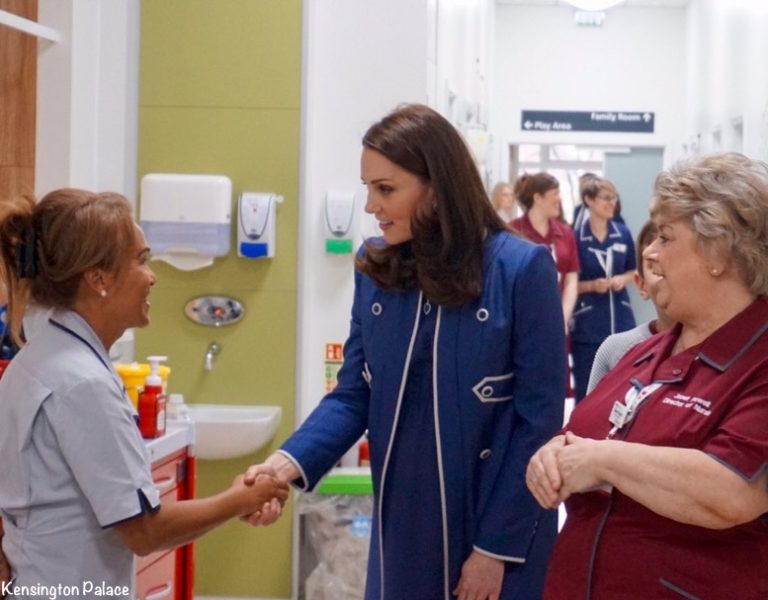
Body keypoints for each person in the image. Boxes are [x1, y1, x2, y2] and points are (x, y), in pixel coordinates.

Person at [245, 104, 566, 600]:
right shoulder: (376, 270)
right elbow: (354, 394)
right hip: (405, 528)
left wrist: (494, 550)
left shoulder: (520, 270)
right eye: (368, 188)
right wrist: (283, 467)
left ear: (436, 187)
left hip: (495, 527)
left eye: (385, 189)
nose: (370, 206)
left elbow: (538, 424)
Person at [0, 190, 288, 595]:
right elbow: (144, 531)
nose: (152, 277)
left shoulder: (35, 361)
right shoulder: (83, 384)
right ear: (98, 279)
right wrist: (240, 498)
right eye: (141, 260)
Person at [526, 152, 768, 599]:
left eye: (666, 237)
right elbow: (585, 434)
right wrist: (554, 453)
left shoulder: (758, 360)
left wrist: (603, 461)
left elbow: (731, 491)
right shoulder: (645, 350)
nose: (650, 253)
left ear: (719, 251)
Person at [586, 220, 674, 393]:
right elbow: (591, 410)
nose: (666, 275)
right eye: (654, 267)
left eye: (673, 262)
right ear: (641, 284)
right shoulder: (615, 350)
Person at [570, 176, 636, 402]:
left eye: (614, 198)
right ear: (589, 200)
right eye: (606, 198)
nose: (612, 203)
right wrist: (591, 285)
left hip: (620, 320)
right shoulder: (576, 237)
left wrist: (622, 279)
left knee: (621, 390)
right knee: (587, 391)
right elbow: (568, 284)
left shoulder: (623, 233)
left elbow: (634, 271)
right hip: (588, 324)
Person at [510, 172, 580, 331]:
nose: (559, 199)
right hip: (521, 321)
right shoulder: (513, 231)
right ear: (538, 198)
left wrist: (562, 319)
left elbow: (571, 280)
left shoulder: (565, 232)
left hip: (557, 320)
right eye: (555, 193)